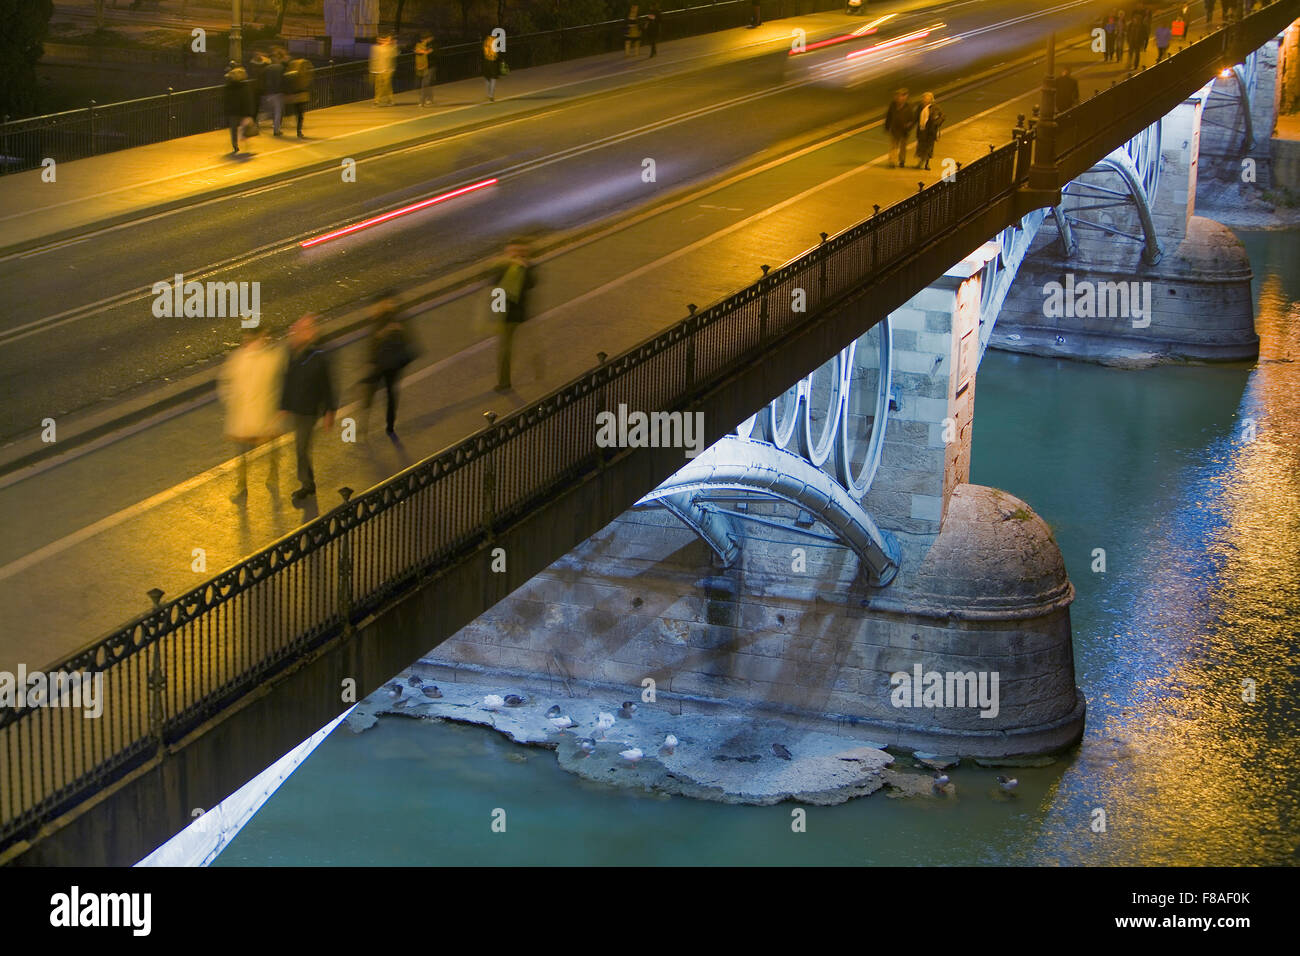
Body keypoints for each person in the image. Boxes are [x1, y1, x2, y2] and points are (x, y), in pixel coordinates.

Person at [218, 326, 286, 501]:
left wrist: (232, 401)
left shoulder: (260, 359)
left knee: (245, 454)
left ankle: (245, 485)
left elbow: (226, 385)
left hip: (252, 416)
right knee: (258, 451)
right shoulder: (267, 358)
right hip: (258, 415)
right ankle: (269, 477)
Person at [280, 315, 337, 505]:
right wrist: (284, 406)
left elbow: (327, 385)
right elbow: (288, 381)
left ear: (310, 333)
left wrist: (330, 411)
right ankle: (307, 482)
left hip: (308, 410)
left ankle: (307, 484)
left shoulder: (317, 356)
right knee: (301, 447)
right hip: (297, 407)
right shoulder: (294, 352)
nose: (295, 333)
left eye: (300, 330)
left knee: (301, 448)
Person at [359, 292, 416, 439]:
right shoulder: (381, 318)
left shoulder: (397, 321)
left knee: (387, 394)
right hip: (381, 364)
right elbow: (373, 342)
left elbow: (407, 340)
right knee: (376, 394)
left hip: (390, 365)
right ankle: (365, 425)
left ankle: (388, 425)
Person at [494, 241, 536, 392]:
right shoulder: (514, 267)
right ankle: (506, 380)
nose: (510, 255)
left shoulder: (523, 268)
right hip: (512, 313)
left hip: (512, 315)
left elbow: (531, 284)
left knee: (505, 349)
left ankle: (504, 382)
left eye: (512, 252)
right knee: (511, 347)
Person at [222, 66, 255, 155]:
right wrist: (250, 111)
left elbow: (225, 100)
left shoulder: (228, 87)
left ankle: (235, 144)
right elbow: (247, 99)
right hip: (242, 110)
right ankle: (246, 143)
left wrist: (226, 110)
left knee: (233, 129)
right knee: (246, 127)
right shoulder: (244, 86)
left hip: (232, 110)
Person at [284, 55, 314, 138]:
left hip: (295, 96)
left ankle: (297, 129)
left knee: (297, 113)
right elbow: (308, 83)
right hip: (301, 96)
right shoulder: (303, 76)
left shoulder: (291, 74)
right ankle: (299, 130)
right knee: (300, 115)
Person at [913, 92, 943, 170]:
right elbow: (916, 117)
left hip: (931, 131)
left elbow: (942, 116)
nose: (924, 100)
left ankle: (926, 163)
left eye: (926, 98)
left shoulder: (935, 107)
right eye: (924, 98)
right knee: (921, 147)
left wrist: (936, 122)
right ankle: (920, 162)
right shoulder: (920, 107)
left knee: (929, 147)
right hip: (922, 131)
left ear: (930, 99)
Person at [884, 88, 914, 168]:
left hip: (904, 130)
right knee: (893, 146)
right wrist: (887, 127)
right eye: (897, 96)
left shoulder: (909, 106)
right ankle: (892, 162)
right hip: (894, 129)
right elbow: (889, 116)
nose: (897, 97)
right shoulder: (893, 105)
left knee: (903, 147)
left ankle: (902, 161)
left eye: (900, 96)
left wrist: (908, 127)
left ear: (905, 97)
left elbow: (912, 119)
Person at [263, 48, 286, 136]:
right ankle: (276, 130)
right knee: (278, 112)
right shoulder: (281, 68)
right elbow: (284, 80)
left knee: (271, 111)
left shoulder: (267, 68)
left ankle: (258, 123)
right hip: (278, 92)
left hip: (269, 92)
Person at [371, 34, 396, 106]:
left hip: (388, 70)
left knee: (386, 85)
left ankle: (385, 99)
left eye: (383, 39)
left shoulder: (390, 48)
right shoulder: (376, 48)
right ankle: (378, 100)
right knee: (378, 86)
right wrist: (372, 69)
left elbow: (393, 55)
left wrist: (391, 45)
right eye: (380, 39)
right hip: (378, 69)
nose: (382, 41)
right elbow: (373, 59)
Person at [415, 32, 437, 107]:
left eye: (426, 38)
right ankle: (429, 98)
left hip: (431, 67)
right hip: (422, 67)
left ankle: (422, 101)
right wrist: (423, 51)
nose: (424, 40)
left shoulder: (433, 45)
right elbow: (417, 51)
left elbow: (430, 52)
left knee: (425, 83)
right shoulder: (419, 45)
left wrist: (424, 51)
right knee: (426, 84)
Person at [482, 33, 501, 101]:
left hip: (486, 60)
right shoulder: (496, 40)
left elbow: (484, 50)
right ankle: (491, 95)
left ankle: (488, 94)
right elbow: (497, 51)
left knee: (487, 78)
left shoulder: (486, 40)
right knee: (493, 78)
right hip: (493, 61)